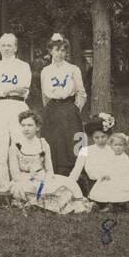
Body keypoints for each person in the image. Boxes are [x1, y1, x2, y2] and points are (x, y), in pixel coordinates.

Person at [6, 110, 90, 214]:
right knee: (27, 188)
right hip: (23, 179)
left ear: (37, 127)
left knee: (67, 183)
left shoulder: (43, 144)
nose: (26, 128)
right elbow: (15, 174)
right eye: (23, 125)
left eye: (30, 125)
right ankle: (40, 205)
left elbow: (49, 168)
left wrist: (47, 180)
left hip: (42, 177)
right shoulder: (16, 146)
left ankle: (68, 206)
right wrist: (30, 179)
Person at [0, 32, 32, 190]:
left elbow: (24, 89)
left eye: (9, 45)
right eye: (3, 45)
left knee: (20, 145)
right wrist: (11, 89)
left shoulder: (23, 66)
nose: (6, 48)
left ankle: (21, 186)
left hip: (18, 107)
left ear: (15, 48)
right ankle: (3, 187)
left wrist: (4, 90)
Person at [39, 33, 87, 177]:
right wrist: (49, 110)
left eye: (63, 50)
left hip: (69, 109)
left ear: (66, 52)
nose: (59, 53)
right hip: (52, 109)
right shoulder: (46, 71)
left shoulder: (73, 69)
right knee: (52, 142)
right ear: (50, 51)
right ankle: (52, 174)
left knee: (72, 142)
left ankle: (75, 175)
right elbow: (44, 95)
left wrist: (74, 109)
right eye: (56, 49)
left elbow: (81, 92)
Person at [90, 131, 129, 210]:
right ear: (111, 146)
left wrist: (112, 176)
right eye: (115, 145)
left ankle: (114, 205)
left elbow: (123, 171)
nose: (118, 147)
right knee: (103, 185)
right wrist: (104, 174)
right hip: (111, 177)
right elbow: (107, 166)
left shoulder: (124, 158)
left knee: (115, 188)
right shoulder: (111, 156)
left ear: (125, 146)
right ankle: (104, 203)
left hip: (121, 179)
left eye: (120, 145)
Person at [70, 113, 116, 199]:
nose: (100, 140)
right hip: (93, 183)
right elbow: (76, 170)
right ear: (92, 137)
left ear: (108, 136)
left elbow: (116, 168)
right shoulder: (85, 150)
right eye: (96, 137)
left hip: (110, 181)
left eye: (103, 137)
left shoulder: (111, 150)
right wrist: (69, 184)